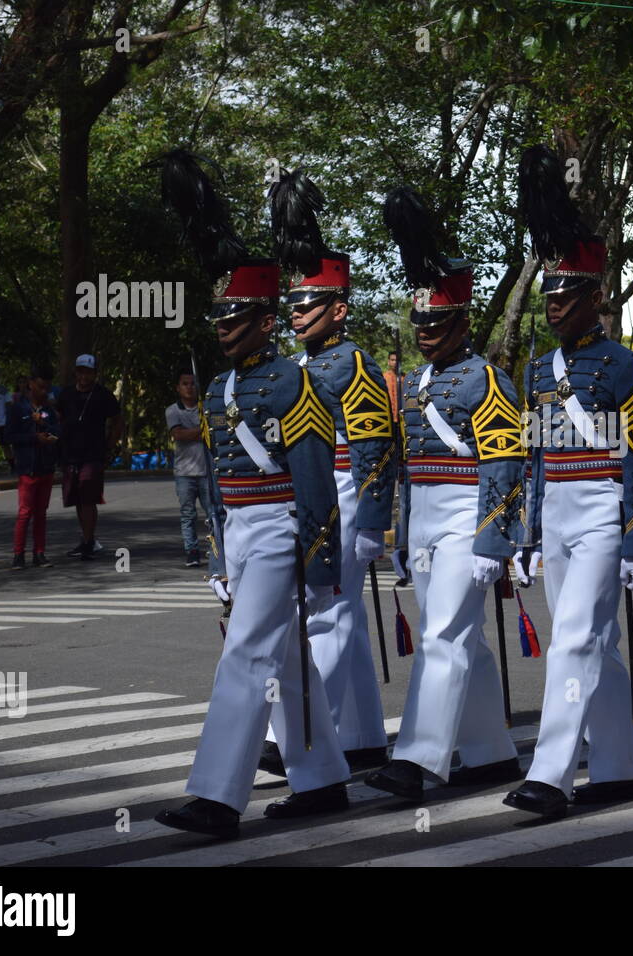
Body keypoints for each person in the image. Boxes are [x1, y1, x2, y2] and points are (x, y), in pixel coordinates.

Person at [152, 149, 349, 837]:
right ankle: (322, 778)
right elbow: (213, 485)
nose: (222, 324)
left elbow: (316, 478)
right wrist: (215, 559)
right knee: (287, 657)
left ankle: (216, 795)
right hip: (240, 529)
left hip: (281, 527)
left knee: (247, 652)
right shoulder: (215, 388)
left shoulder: (293, 383)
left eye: (236, 315)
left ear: (267, 319)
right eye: (218, 315)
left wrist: (320, 563)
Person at [500, 145, 633, 821]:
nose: (555, 306)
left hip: (603, 508)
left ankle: (552, 772)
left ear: (596, 296)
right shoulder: (538, 371)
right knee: (594, 639)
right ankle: (623, 765)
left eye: (567, 295)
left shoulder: (626, 365)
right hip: (559, 511)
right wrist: (528, 534)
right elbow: (535, 461)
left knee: (572, 637)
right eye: (550, 295)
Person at [364, 185, 523, 803]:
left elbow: (505, 462)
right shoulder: (416, 383)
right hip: (425, 518)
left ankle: (420, 757)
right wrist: (402, 535)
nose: (426, 331)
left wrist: (495, 536)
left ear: (462, 322)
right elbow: (407, 466)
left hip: (465, 518)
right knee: (459, 635)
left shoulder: (486, 377)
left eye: (438, 321)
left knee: (442, 637)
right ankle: (489, 752)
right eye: (420, 321)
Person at [257, 169, 393, 778]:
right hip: (308, 492)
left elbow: (374, 446)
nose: (295, 313)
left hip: (341, 491)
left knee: (326, 610)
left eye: (308, 303)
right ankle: (362, 736)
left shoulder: (351, 362)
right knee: (341, 616)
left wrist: (371, 519)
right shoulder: (294, 364)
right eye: (291, 303)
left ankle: (312, 735)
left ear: (338, 309)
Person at [56, 354, 122, 559]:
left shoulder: (103, 395)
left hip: (93, 454)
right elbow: (58, 418)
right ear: (76, 372)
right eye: (81, 371)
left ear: (95, 374)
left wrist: (110, 446)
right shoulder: (66, 394)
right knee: (76, 497)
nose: (84, 376)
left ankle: (88, 541)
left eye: (89, 372)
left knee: (88, 497)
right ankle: (87, 539)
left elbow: (118, 421)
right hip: (70, 454)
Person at [7, 365, 59, 569]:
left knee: (41, 513)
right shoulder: (17, 409)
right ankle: (18, 555)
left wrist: (47, 431)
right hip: (27, 469)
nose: (44, 392)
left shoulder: (49, 411)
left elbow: (58, 431)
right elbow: (9, 436)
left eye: (47, 388)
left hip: (46, 467)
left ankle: (39, 553)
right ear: (30, 384)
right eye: (40, 387)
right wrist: (33, 437)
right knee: (25, 513)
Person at [166, 370, 216, 566]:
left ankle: (216, 548)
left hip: (206, 471)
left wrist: (201, 431)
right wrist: (204, 429)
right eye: (185, 384)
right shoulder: (173, 410)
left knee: (212, 513)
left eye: (192, 383)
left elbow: (215, 431)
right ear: (178, 388)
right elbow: (179, 435)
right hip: (184, 472)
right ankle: (192, 550)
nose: (189, 387)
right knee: (188, 514)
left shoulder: (206, 408)